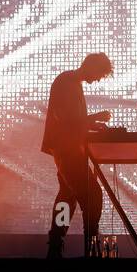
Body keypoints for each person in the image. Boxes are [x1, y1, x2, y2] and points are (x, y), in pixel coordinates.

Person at [42, 52, 114, 258]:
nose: (99, 78)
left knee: (66, 198)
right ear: (90, 66)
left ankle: (56, 244)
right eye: (100, 73)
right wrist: (94, 118)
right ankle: (90, 246)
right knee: (92, 194)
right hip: (67, 150)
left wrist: (92, 124)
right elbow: (67, 119)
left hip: (68, 149)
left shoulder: (72, 82)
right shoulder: (66, 82)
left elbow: (74, 121)